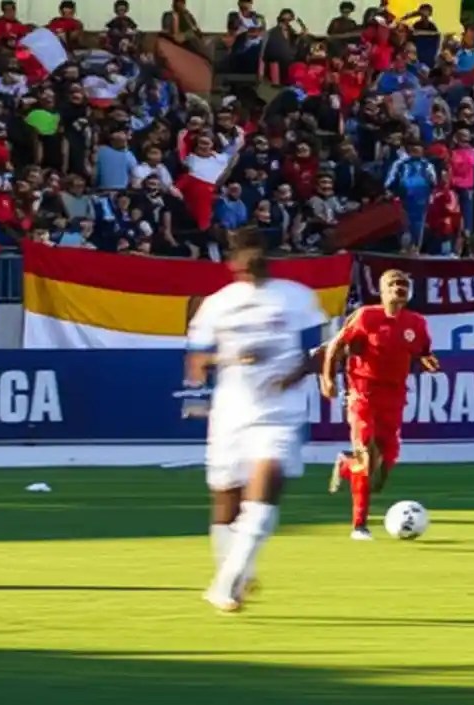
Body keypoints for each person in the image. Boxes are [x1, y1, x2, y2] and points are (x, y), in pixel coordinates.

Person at [184, 230, 327, 613]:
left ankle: (225, 585)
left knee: (262, 495)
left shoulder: (296, 296)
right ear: (233, 261)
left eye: (260, 253)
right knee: (226, 500)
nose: (253, 261)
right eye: (247, 255)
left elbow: (321, 348)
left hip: (280, 413)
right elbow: (197, 361)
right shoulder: (218, 304)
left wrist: (296, 373)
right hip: (231, 412)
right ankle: (237, 573)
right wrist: (228, 361)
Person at [320, 269, 440, 540]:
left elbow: (423, 352)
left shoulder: (417, 323)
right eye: (393, 284)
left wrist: (429, 362)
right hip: (363, 392)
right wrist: (327, 378)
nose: (399, 288)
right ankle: (359, 526)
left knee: (379, 474)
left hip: (394, 396)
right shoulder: (366, 317)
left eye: (404, 284)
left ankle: (344, 467)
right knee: (365, 452)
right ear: (382, 290)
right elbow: (335, 346)